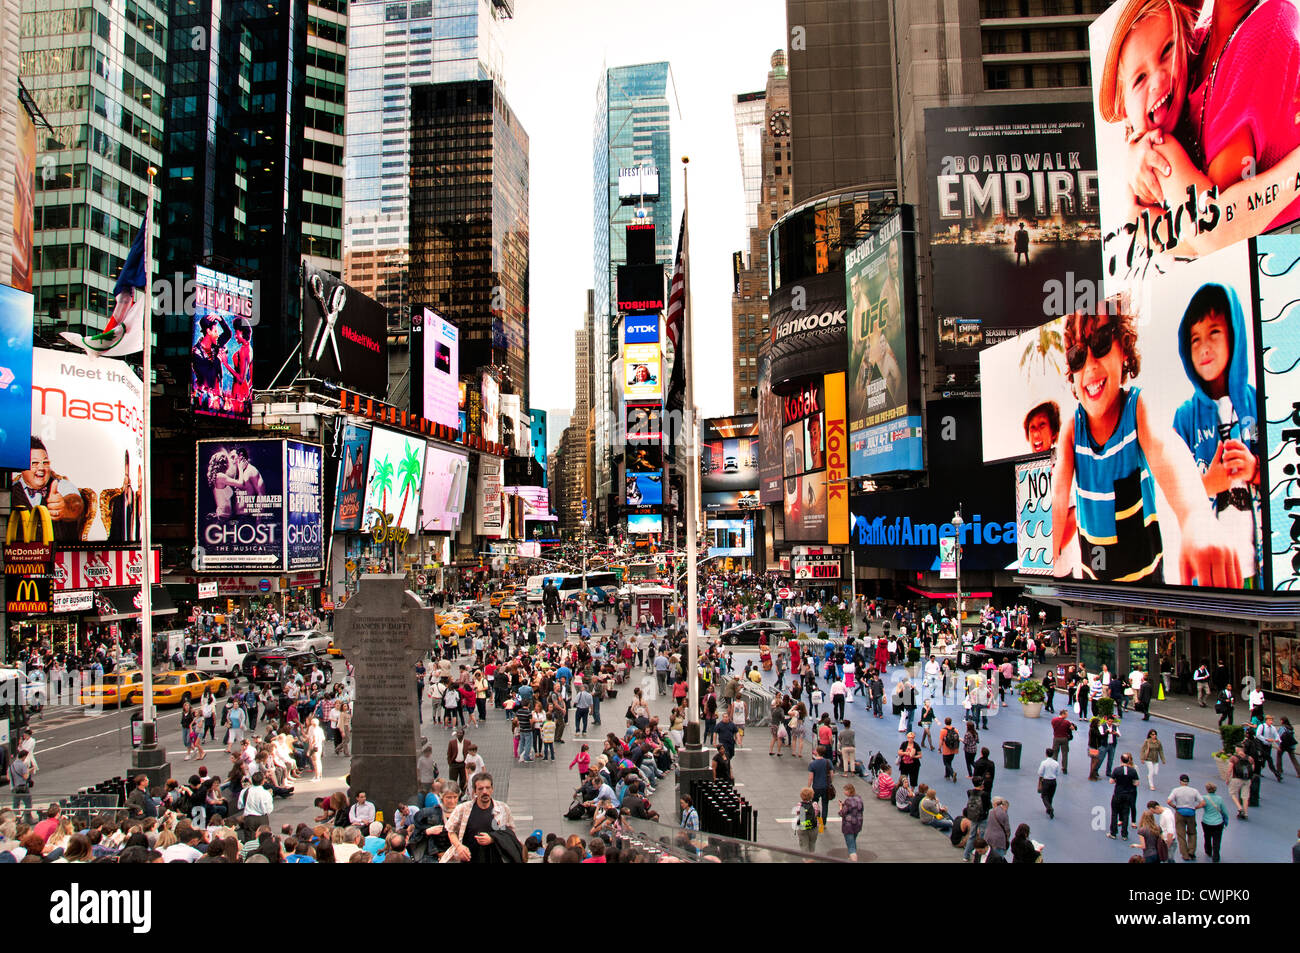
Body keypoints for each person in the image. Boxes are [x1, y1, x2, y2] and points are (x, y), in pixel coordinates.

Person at [1050, 303, 1242, 587]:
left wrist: (1196, 518)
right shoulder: (1071, 429)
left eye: (1101, 342)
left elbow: (1167, 451)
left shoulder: (1136, 408)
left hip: (1147, 582)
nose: (1089, 365)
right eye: (1077, 355)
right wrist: (1043, 552)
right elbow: (1056, 498)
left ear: (1124, 348)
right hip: (1097, 585)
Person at [445, 774, 520, 863]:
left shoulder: (503, 809)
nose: (485, 791)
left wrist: (493, 838)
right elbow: (450, 830)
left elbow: (510, 835)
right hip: (470, 859)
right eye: (480, 788)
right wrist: (459, 847)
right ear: (474, 791)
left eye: (487, 788)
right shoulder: (462, 809)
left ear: (492, 789)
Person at [1166, 773, 1204, 861]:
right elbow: (1203, 803)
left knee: (1181, 834)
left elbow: (1168, 801)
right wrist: (1195, 808)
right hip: (1191, 813)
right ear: (1188, 782)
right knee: (1192, 833)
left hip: (1180, 812)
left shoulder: (1176, 790)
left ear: (1180, 781)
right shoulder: (1194, 791)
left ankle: (1185, 854)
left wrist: (1175, 807)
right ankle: (1191, 851)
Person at [1108, 753, 1140, 840]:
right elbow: (1136, 783)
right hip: (1128, 795)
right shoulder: (1133, 771)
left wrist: (1117, 781)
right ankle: (1124, 834)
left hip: (1118, 794)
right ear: (1128, 760)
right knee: (1126, 814)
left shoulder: (1117, 770)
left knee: (1114, 813)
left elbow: (1111, 781)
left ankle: (1113, 833)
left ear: (1121, 760)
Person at [1200, 781, 1229, 864]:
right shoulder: (1219, 799)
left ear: (1207, 789)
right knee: (1217, 840)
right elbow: (1224, 811)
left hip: (1206, 822)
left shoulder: (1204, 798)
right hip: (1218, 823)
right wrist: (1226, 819)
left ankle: (1208, 851)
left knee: (1207, 836)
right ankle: (1216, 857)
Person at [807, 746, 835, 825]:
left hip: (816, 787)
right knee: (825, 804)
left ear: (817, 752)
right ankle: (823, 823)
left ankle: (816, 818)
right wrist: (830, 782)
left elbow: (811, 777)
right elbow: (832, 774)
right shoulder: (828, 762)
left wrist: (808, 787)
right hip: (826, 786)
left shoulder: (812, 763)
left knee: (814, 803)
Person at [792, 786, 819, 856]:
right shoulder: (815, 804)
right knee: (812, 844)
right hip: (813, 827)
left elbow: (797, 813)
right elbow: (816, 814)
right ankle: (812, 857)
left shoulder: (799, 804)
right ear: (812, 795)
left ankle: (806, 859)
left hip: (802, 827)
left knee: (804, 845)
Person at [1037, 747, 1060, 819]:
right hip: (1053, 781)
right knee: (1050, 796)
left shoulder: (1044, 763)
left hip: (1046, 781)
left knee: (1044, 796)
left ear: (1046, 754)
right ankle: (1048, 810)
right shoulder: (1056, 763)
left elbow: (1040, 773)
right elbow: (1057, 773)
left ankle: (1050, 808)